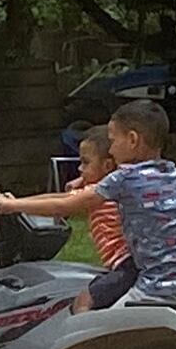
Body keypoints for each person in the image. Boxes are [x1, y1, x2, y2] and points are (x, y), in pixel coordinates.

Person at [0, 100, 176, 305]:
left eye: (113, 141)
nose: (111, 150)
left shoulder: (125, 178)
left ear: (132, 140)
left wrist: (12, 206)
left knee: (91, 326)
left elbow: (64, 205)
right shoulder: (172, 173)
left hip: (156, 287)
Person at [70, 125, 136, 312]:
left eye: (85, 163)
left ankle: (85, 338)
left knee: (83, 301)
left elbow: (62, 202)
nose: (80, 168)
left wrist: (13, 204)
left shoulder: (98, 193)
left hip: (126, 266)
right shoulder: (116, 186)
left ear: (107, 165)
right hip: (126, 264)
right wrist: (80, 180)